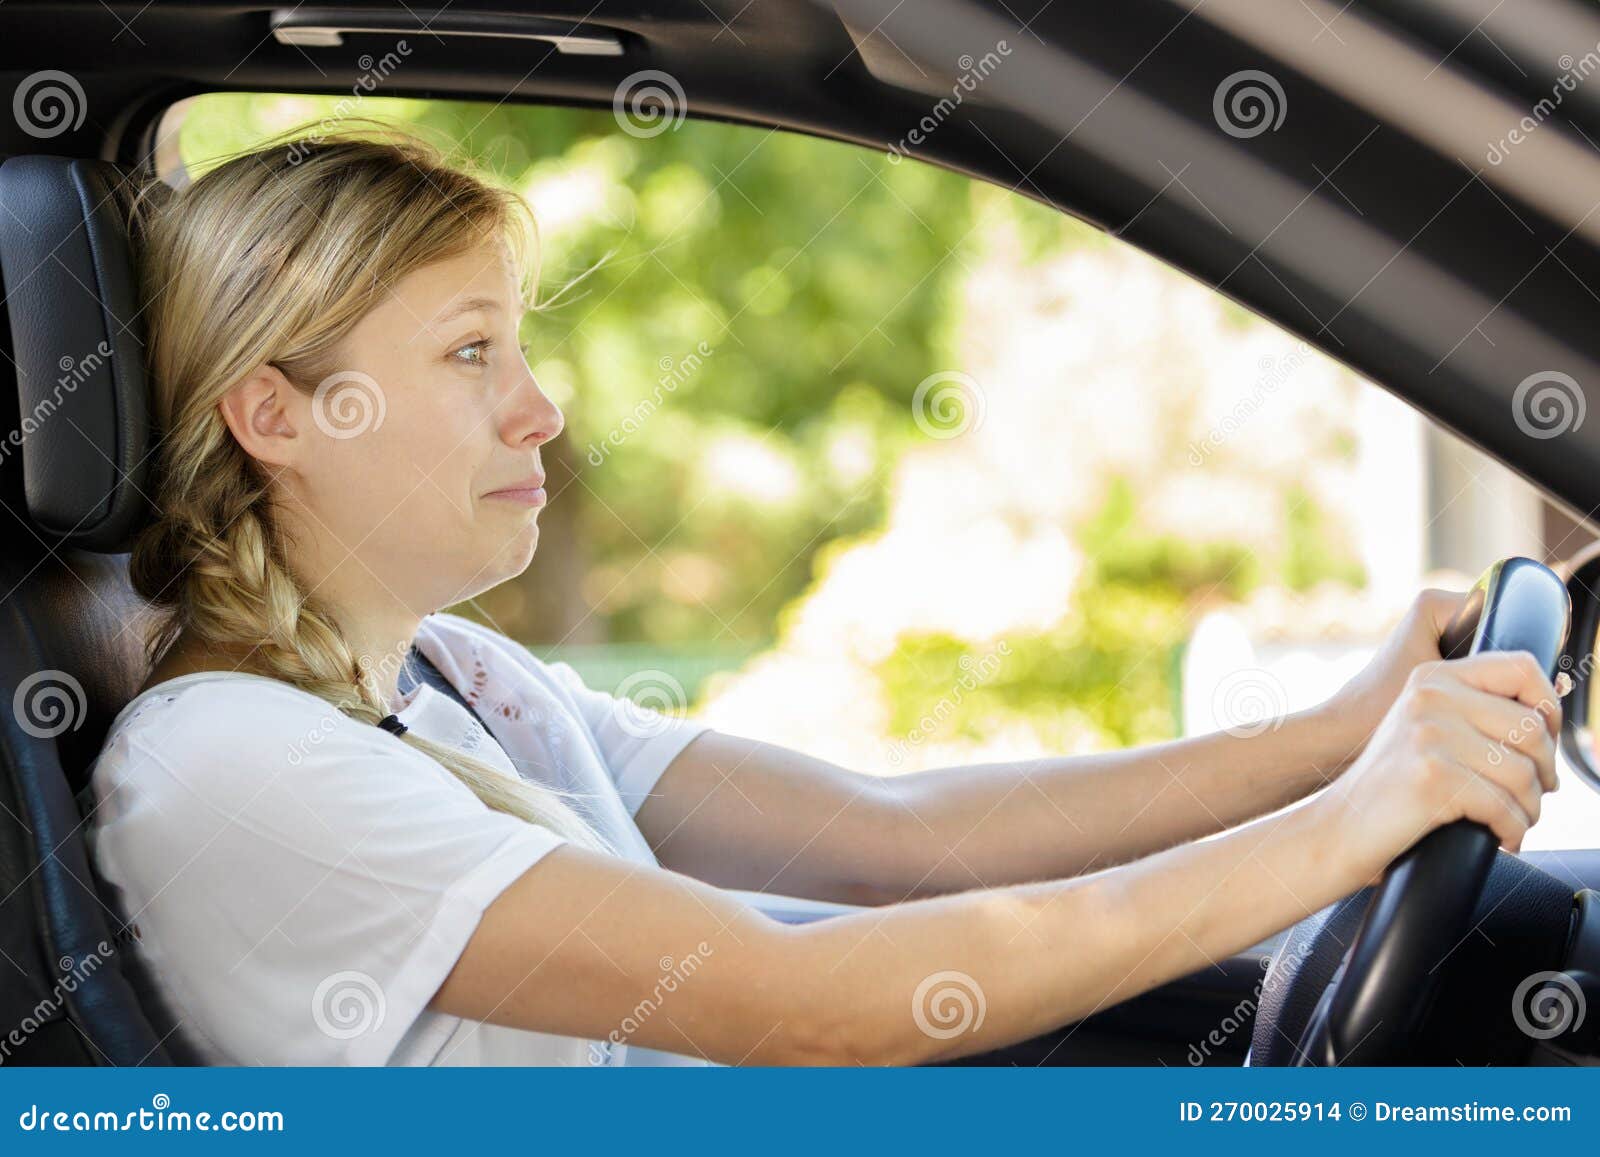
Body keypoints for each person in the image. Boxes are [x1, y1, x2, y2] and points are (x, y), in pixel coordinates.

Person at [86, 127, 1561, 1068]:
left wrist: (1336, 736)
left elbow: (895, 839)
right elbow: (808, 1004)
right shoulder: (231, 763)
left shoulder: (453, 678)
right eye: (471, 353)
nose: (540, 410)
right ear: (275, 414)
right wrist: (1342, 828)